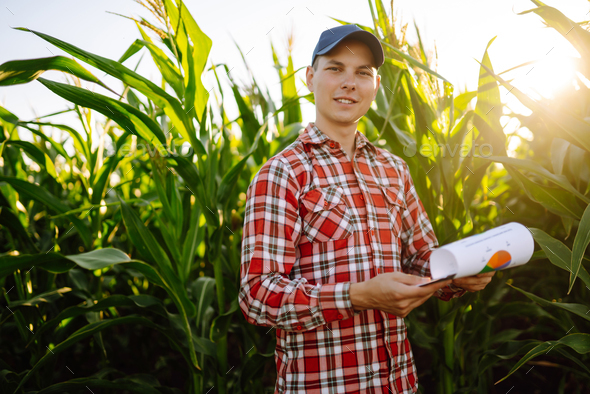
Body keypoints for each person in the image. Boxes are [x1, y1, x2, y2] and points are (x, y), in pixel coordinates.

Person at [238, 24, 495, 394]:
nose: (349, 82)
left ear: (375, 86)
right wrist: (357, 296)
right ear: (310, 78)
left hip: (399, 383)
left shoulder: (394, 169)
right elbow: (257, 296)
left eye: (363, 73)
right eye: (335, 69)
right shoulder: (283, 173)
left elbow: (421, 256)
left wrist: (455, 273)